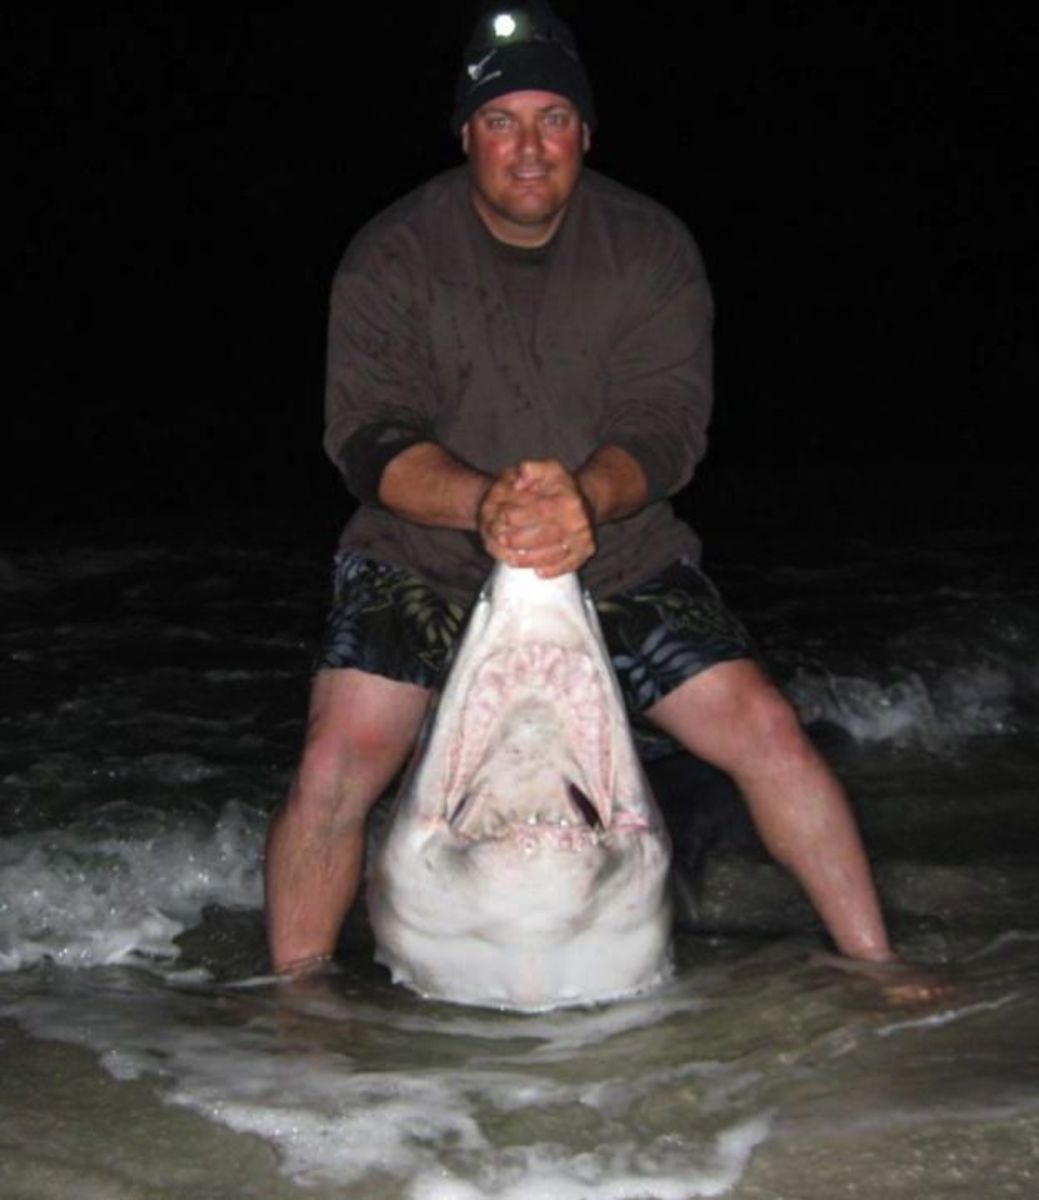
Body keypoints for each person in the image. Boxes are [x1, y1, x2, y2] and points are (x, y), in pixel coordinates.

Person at [265, 2, 899, 980]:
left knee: (766, 730)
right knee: (334, 760)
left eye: (552, 119)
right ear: (465, 133)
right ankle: (295, 1005)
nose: (528, 148)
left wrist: (584, 501)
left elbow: (666, 427)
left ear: (586, 132)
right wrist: (484, 504)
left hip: (617, 547)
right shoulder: (392, 253)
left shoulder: (649, 246)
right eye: (501, 121)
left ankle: (876, 963)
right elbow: (366, 436)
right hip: (423, 548)